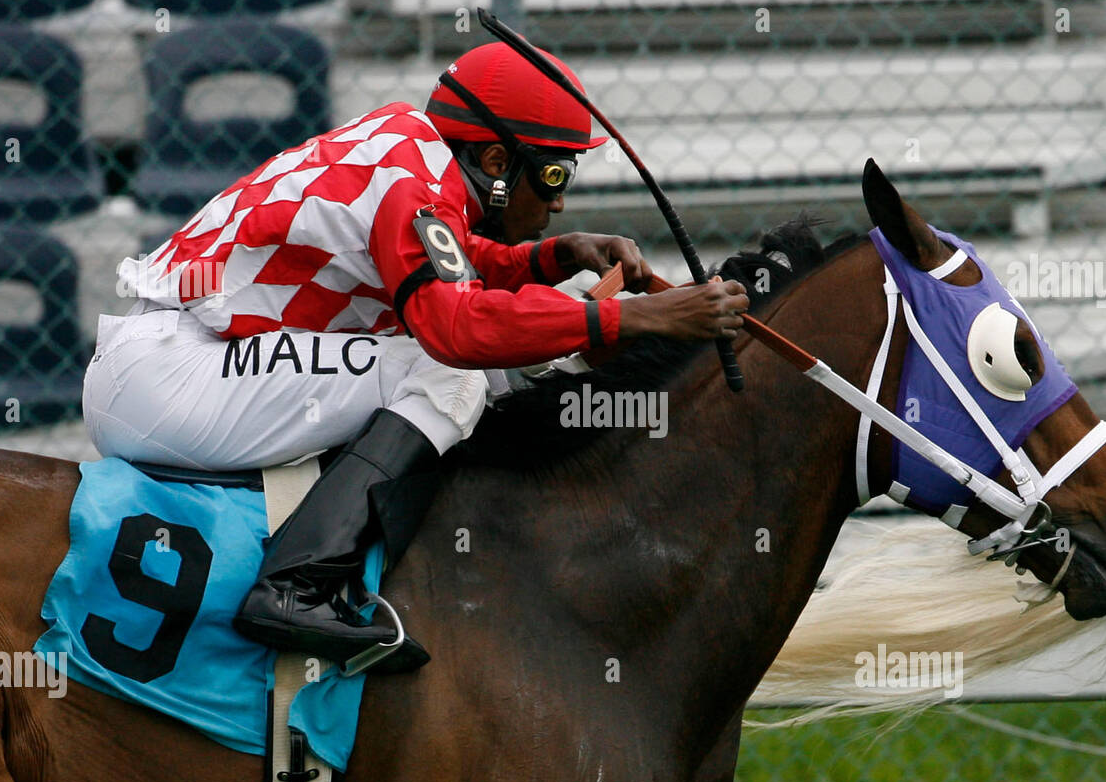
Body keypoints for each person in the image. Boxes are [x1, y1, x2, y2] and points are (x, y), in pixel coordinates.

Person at [82, 42, 749, 671]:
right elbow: (455, 326)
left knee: (457, 365)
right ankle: (293, 588)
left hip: (172, 361)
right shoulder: (412, 185)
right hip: (168, 373)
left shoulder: (414, 149)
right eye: (551, 173)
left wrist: (553, 256)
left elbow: (449, 266)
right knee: (446, 373)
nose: (557, 198)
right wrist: (633, 315)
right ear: (493, 162)